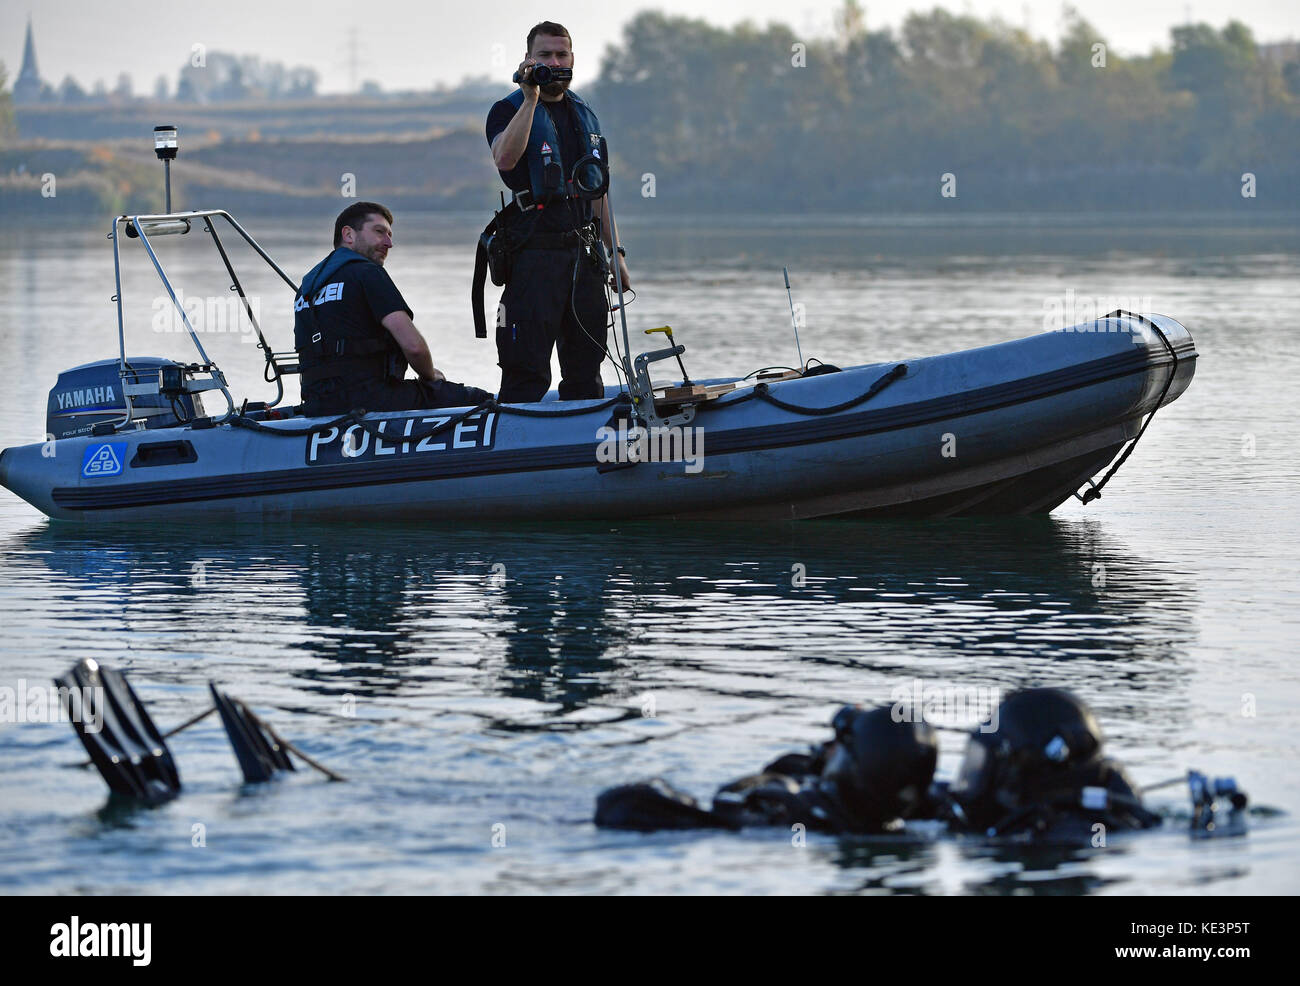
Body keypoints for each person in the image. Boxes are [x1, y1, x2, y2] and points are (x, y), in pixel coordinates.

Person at [484, 20, 632, 403]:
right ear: (529, 59)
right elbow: (504, 158)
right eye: (545, 55)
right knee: (525, 367)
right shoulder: (508, 109)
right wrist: (530, 98)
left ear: (572, 57)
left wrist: (615, 253)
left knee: (586, 367)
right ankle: (518, 448)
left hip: (583, 258)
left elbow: (599, 192)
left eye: (561, 54)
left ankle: (585, 443)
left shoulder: (586, 114)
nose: (555, 61)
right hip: (533, 257)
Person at [295, 202, 493, 417]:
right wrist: (431, 377)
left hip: (317, 404)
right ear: (349, 234)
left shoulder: (306, 289)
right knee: (479, 399)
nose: (389, 243)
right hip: (370, 398)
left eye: (389, 235)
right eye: (379, 232)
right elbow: (414, 347)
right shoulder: (367, 273)